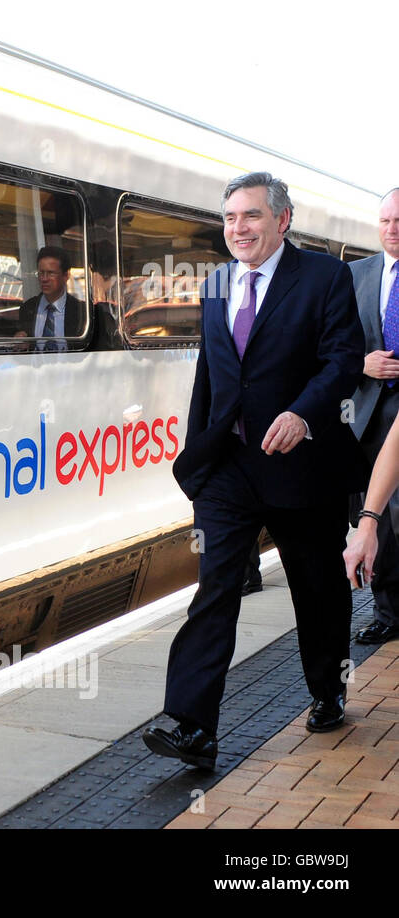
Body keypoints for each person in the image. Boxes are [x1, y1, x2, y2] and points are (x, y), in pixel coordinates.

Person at [144, 172, 365, 769]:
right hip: (231, 470)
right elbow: (211, 378)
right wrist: (198, 460)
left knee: (316, 591)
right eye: (230, 218)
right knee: (215, 590)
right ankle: (193, 726)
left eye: (251, 217)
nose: (237, 229)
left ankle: (327, 688)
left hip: (301, 466)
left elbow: (342, 359)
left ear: (282, 220)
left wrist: (302, 413)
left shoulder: (324, 276)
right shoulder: (217, 283)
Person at [344, 188, 399, 644]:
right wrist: (361, 363)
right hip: (366, 415)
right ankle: (387, 611)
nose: (392, 229)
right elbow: (333, 344)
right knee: (375, 517)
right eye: (384, 221)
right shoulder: (354, 274)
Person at [14, 245, 87, 348]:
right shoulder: (27, 309)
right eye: (41, 273)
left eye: (51, 273)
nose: (44, 279)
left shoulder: (82, 312)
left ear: (66, 275)